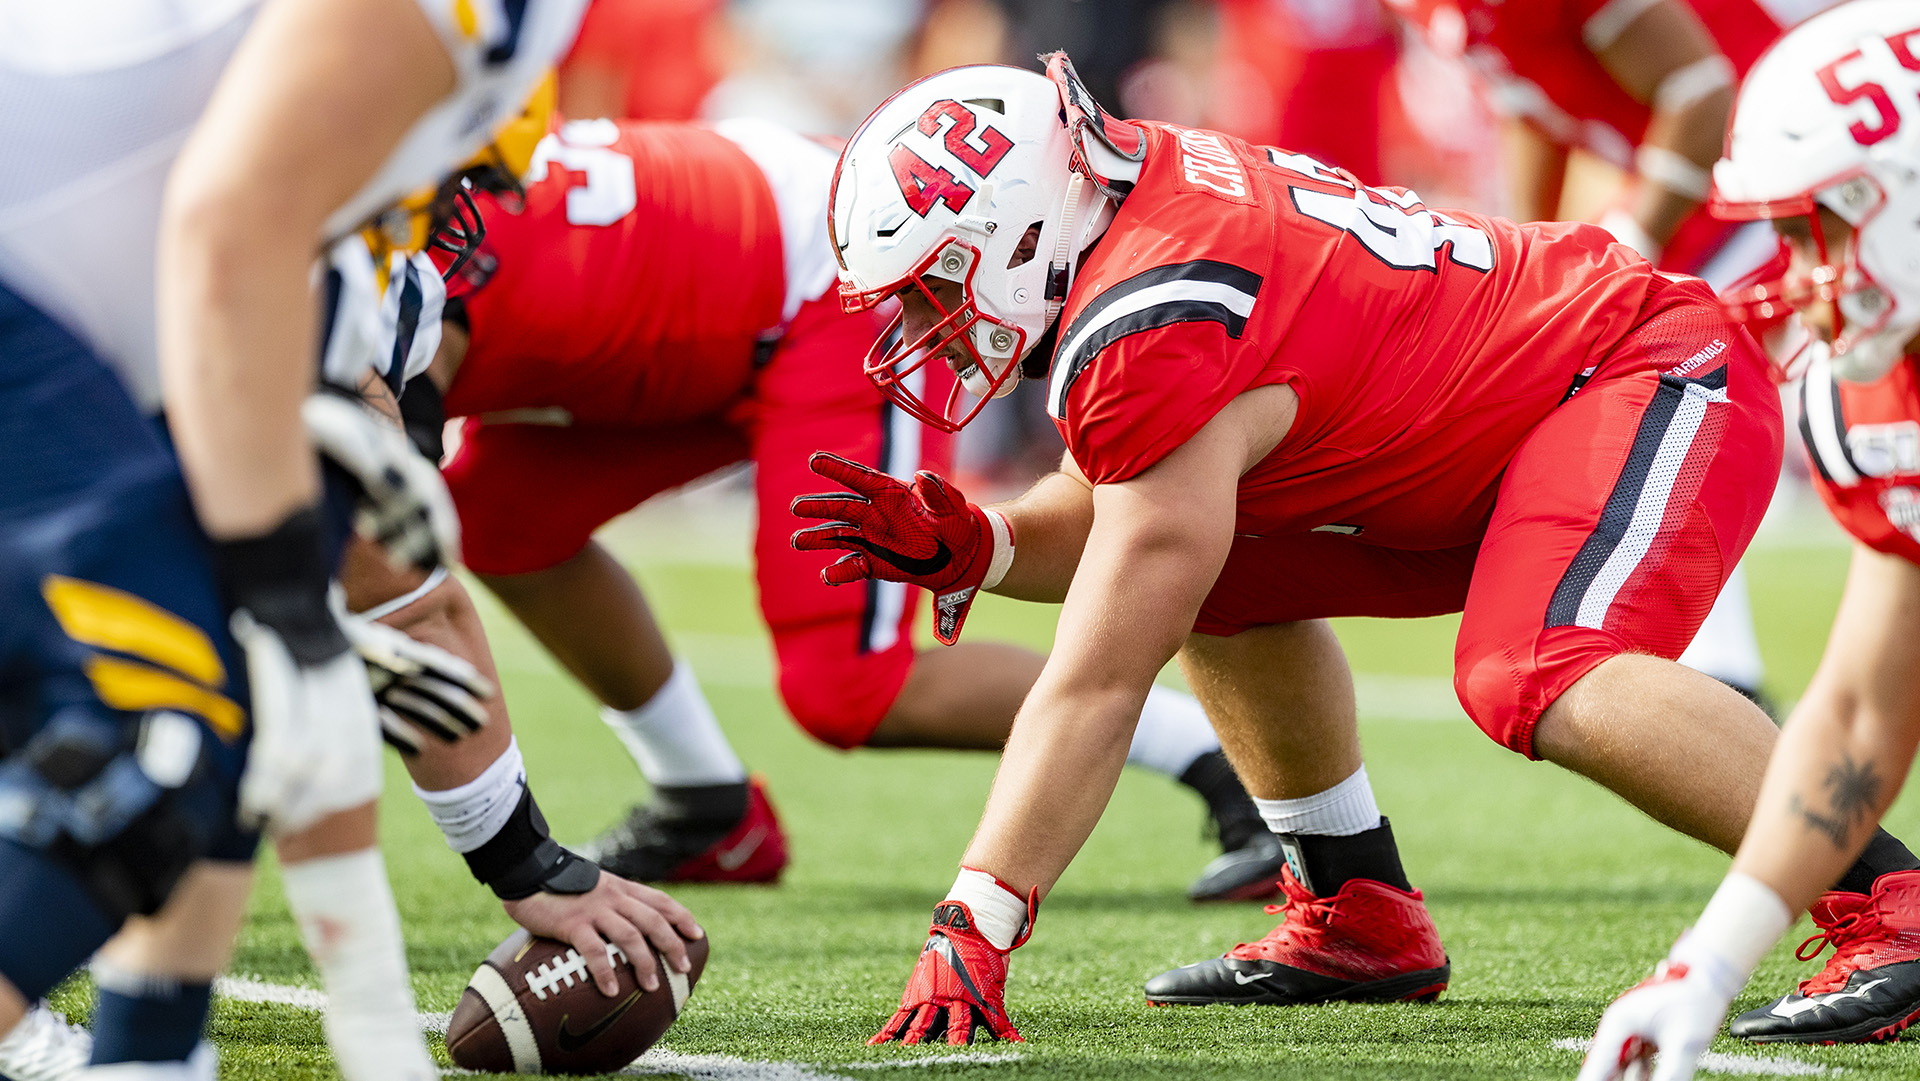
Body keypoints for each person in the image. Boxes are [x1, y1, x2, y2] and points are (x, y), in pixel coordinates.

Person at [800, 53, 1920, 1046]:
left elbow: (1097, 676)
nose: (923, 327)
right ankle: (1354, 904)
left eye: (937, 283)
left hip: (1633, 368)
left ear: (1022, 228)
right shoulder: (1134, 200)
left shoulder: (1150, 316)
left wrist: (980, 915)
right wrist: (983, 546)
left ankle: (1892, 903)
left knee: (1534, 665)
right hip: (1500, 428)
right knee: (1208, 575)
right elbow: (1139, 522)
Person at [0, 0, 701, 1078]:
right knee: (154, 723)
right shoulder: (295, 213)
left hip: (51, 289)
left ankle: (149, 1055)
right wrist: (288, 608)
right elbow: (232, 216)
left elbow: (359, 625)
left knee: (211, 708)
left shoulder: (332, 274)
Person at [350, 113, 1285, 902]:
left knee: (846, 688)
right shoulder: (372, 221)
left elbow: (376, 555)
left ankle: (1223, 756)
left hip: (826, 290)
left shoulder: (386, 269)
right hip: (696, 308)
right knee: (501, 525)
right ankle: (704, 800)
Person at [1583, 4, 1920, 1075]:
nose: (1790, 267)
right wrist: (1712, 959)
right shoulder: (1877, 392)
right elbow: (1866, 704)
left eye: (1818, 221)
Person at [1384, 0, 1825, 705]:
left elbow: (1701, 91)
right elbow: (1528, 100)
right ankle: (1722, 667)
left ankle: (1723, 670)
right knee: (1642, 378)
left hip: (1767, 170)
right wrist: (1527, 249)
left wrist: (1630, 239)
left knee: (1663, 371)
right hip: (1715, 180)